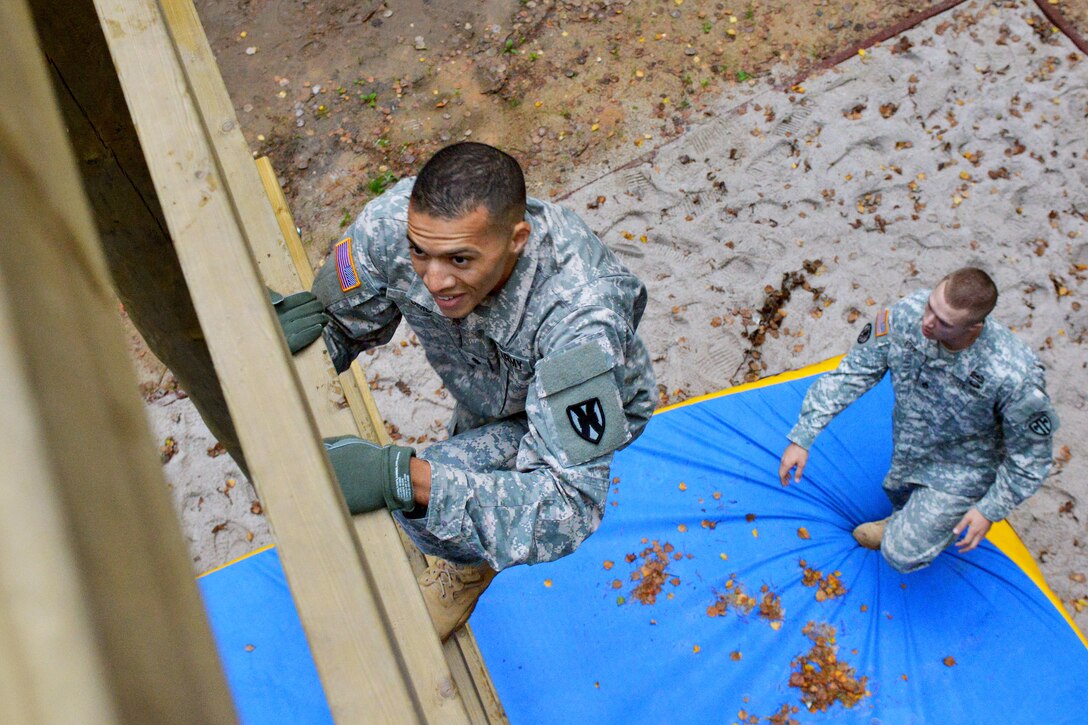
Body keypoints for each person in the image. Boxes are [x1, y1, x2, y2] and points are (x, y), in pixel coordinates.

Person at [272, 142, 656, 640]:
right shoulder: (389, 229)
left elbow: (567, 504)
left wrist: (404, 479)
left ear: (517, 239)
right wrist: (281, 340)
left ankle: (468, 566)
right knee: (444, 473)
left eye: (459, 259)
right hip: (485, 386)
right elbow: (340, 324)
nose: (434, 279)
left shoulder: (581, 320)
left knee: (430, 497)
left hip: (562, 405)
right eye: (420, 252)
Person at [778, 267, 1057, 573]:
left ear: (974, 329)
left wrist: (989, 509)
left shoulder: (1013, 375)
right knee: (900, 493)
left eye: (944, 323)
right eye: (931, 307)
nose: (927, 322)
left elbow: (1032, 460)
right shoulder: (908, 314)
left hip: (964, 470)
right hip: (911, 446)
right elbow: (853, 373)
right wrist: (804, 435)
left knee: (901, 553)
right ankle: (909, 513)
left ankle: (915, 527)